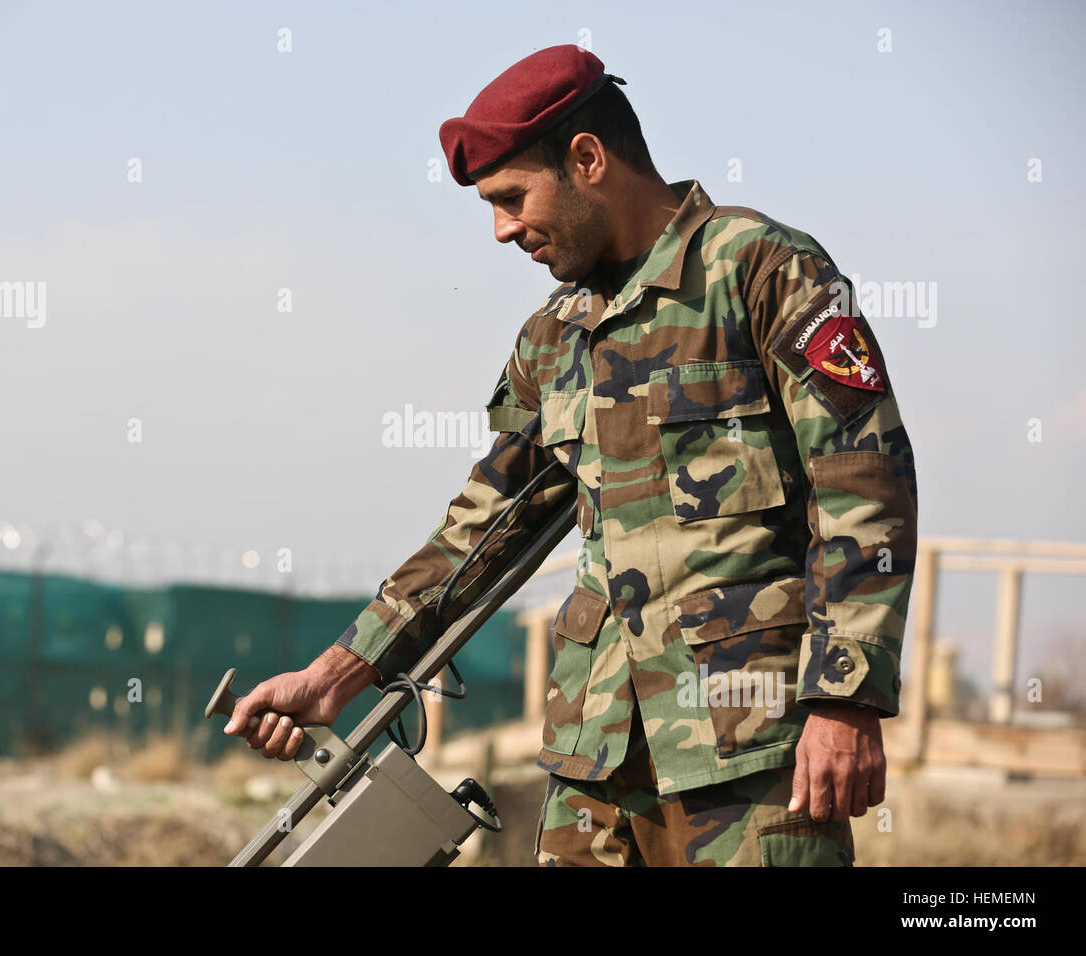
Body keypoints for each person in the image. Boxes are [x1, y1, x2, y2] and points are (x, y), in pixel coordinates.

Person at [224, 44, 918, 867]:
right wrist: (339, 673)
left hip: (752, 758)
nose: (502, 229)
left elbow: (862, 477)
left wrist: (845, 699)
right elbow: (478, 535)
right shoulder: (553, 340)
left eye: (512, 198)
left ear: (587, 159)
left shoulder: (762, 270)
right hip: (595, 766)